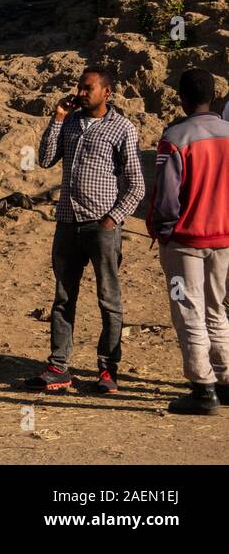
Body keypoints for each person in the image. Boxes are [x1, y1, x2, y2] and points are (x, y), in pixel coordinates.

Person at [27, 67, 144, 394]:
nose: (81, 92)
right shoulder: (72, 122)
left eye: (88, 88)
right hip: (67, 222)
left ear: (107, 92)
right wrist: (58, 118)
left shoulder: (122, 128)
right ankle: (59, 367)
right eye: (80, 86)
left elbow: (136, 185)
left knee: (109, 299)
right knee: (63, 297)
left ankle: (108, 371)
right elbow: (46, 159)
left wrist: (113, 219)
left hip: (101, 226)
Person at [147, 69, 229, 415]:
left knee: (187, 309)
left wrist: (162, 229)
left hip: (185, 241)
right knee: (218, 308)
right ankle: (225, 378)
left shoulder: (175, 137)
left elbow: (167, 196)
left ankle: (202, 387)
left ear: (181, 98)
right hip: (224, 239)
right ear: (214, 96)